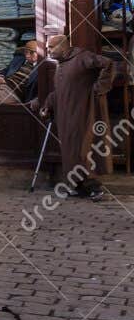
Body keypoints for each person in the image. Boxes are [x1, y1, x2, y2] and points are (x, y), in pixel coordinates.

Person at [29, 33, 115, 201]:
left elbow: (108, 64)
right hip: (65, 116)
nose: (48, 50)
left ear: (63, 45)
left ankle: (95, 187)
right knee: (69, 151)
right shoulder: (61, 65)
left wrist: (99, 88)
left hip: (83, 112)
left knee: (82, 150)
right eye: (47, 48)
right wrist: (47, 106)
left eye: (51, 47)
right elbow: (59, 92)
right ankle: (77, 186)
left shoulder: (82, 57)